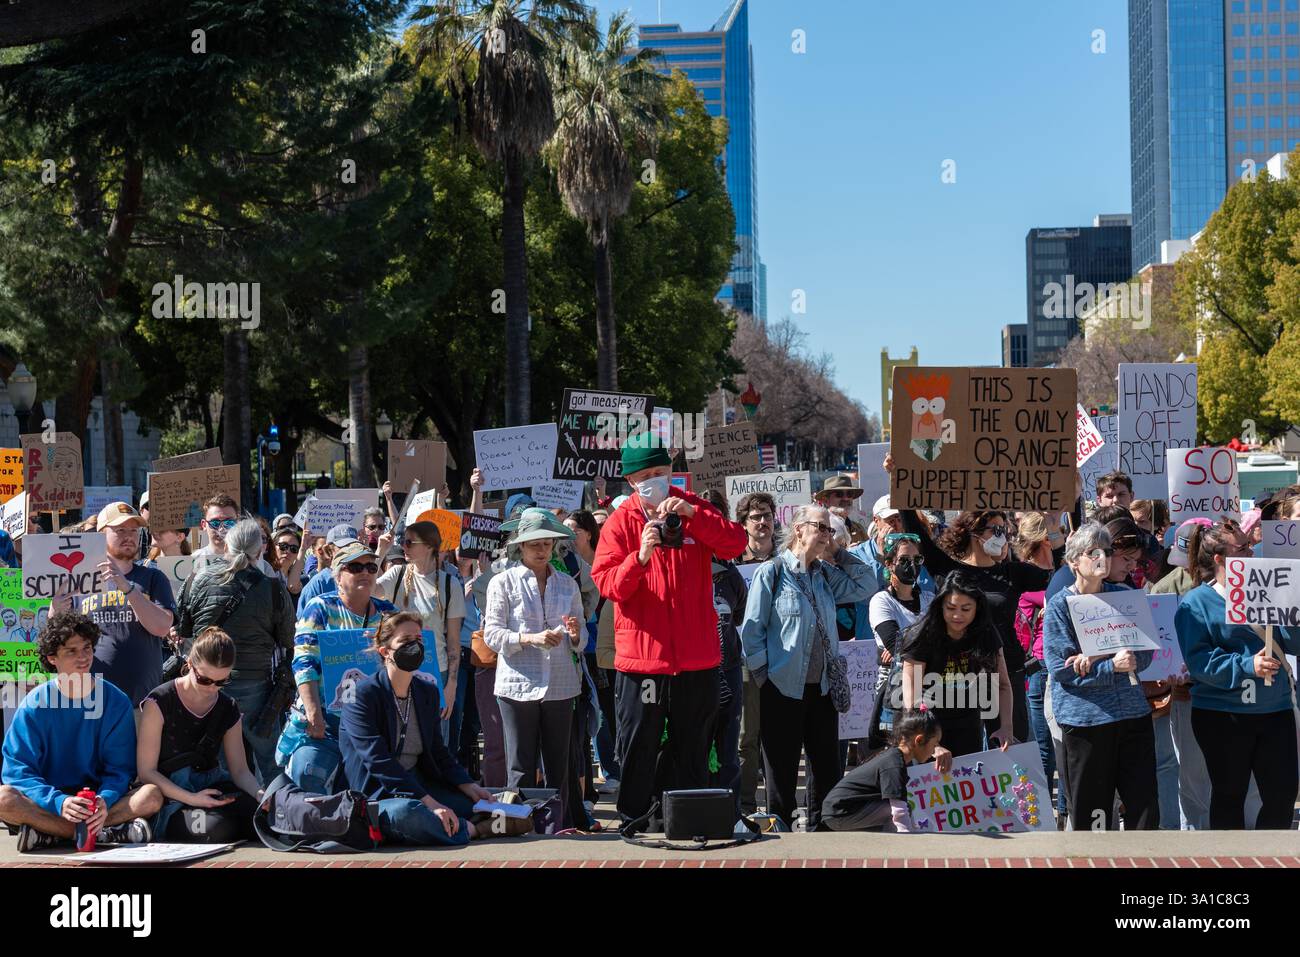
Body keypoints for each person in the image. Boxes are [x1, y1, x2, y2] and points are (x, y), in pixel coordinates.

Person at [590, 432, 748, 824]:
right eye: (645, 474)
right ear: (630, 481)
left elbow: (735, 545)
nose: (655, 480)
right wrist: (640, 556)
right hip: (643, 661)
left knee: (694, 744)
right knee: (638, 742)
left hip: (698, 659)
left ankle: (688, 817)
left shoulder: (693, 509)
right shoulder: (619, 523)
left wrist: (696, 518)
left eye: (661, 471)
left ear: (672, 471)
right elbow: (608, 586)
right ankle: (634, 817)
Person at [740, 503, 875, 830]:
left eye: (830, 530)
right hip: (782, 687)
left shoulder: (826, 574)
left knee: (827, 770)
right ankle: (781, 835)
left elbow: (867, 584)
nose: (827, 535)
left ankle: (824, 834)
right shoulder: (771, 573)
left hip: (823, 689)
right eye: (822, 528)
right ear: (799, 529)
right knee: (782, 773)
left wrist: (839, 553)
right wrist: (764, 677)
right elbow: (752, 632)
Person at [339, 612, 526, 845]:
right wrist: (430, 803)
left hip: (420, 784)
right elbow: (378, 761)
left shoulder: (426, 691)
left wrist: (468, 785)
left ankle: (464, 822)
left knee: (476, 805)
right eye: (405, 641)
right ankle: (472, 830)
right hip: (378, 792)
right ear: (385, 652)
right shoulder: (360, 695)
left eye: (418, 640)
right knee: (407, 814)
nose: (414, 646)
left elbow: (438, 751)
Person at [0, 612, 162, 852]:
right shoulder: (34, 704)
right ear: (52, 657)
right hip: (50, 802)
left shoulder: (115, 700)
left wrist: (103, 800)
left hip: (98, 803)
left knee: (151, 795)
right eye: (71, 651)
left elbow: (120, 769)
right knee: (3, 799)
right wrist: (58, 801)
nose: (83, 657)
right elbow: (17, 772)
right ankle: (101, 832)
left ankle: (51, 834)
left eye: (87, 648)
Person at [1175, 521, 1299, 829]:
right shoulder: (1196, 603)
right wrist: (1248, 665)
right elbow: (1200, 662)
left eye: (1249, 545)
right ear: (1220, 559)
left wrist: (1292, 609)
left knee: (1282, 794)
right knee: (1230, 794)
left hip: (1275, 709)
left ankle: (1272, 858)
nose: (1252, 550)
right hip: (1222, 714)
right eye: (1242, 547)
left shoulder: (1271, 589)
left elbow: (1294, 644)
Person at [1042, 522, 1158, 830]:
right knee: (1092, 812)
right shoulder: (1059, 607)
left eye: (1106, 552)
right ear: (1073, 562)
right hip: (1086, 722)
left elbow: (1145, 653)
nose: (1102, 558)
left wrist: (1103, 659)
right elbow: (1061, 668)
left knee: (1143, 806)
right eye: (1093, 552)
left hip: (1132, 716)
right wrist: (1111, 665)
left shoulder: (1125, 596)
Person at [899, 507, 1048, 744]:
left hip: (1005, 672)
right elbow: (918, 533)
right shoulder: (949, 570)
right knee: (958, 753)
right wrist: (900, 484)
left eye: (1005, 530)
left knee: (1011, 746)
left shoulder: (1012, 572)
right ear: (973, 532)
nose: (1002, 536)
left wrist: (1058, 523)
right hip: (958, 677)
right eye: (996, 530)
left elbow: (1060, 575)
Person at [483, 511, 585, 821]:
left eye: (546, 544)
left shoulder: (568, 584)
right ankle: (518, 823)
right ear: (519, 547)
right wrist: (530, 638)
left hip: (560, 682)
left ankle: (560, 822)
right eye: (533, 545)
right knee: (520, 763)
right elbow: (492, 634)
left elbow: (581, 634)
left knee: (559, 761)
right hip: (517, 683)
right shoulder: (502, 582)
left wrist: (577, 635)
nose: (541, 551)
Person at [176, 518, 295, 785]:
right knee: (269, 761)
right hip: (256, 686)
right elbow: (287, 639)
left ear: (226, 544)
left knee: (217, 760)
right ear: (260, 549)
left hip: (207, 684)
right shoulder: (274, 588)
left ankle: (227, 817)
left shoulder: (196, 578)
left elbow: (183, 628)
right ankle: (276, 816)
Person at [279, 540, 397, 793]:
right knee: (307, 772)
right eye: (355, 567)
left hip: (370, 724)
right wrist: (313, 713)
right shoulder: (319, 608)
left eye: (371, 567)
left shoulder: (390, 614)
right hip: (325, 720)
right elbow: (304, 662)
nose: (365, 572)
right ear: (337, 575)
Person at [136, 627, 263, 841]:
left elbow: (240, 771)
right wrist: (192, 798)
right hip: (170, 793)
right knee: (217, 828)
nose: (213, 688)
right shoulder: (160, 701)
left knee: (258, 817)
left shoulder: (227, 706)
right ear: (189, 665)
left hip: (210, 785)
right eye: (205, 680)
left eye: (222, 681)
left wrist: (261, 795)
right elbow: (146, 771)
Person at [52, 503, 177, 718]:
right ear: (100, 536)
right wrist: (55, 609)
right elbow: (56, 637)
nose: (129, 536)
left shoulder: (153, 578)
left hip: (143, 705)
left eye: (133, 531)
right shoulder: (80, 580)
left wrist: (127, 588)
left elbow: (162, 627)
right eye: (120, 530)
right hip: (92, 704)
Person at [899, 572, 1013, 760]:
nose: (957, 615)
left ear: (977, 608)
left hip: (969, 721)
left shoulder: (985, 632)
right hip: (926, 722)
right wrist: (931, 744)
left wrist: (1006, 728)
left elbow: (1003, 685)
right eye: (951, 608)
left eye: (966, 609)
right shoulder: (922, 636)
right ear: (940, 606)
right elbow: (911, 699)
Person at [373, 521, 465, 741]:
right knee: (396, 738)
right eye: (403, 542)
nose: (403, 547)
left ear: (430, 546)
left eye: (409, 542)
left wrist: (451, 685)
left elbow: (453, 640)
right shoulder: (397, 574)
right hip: (396, 670)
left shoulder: (450, 584)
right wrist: (379, 553)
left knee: (434, 743)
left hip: (436, 673)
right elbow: (368, 588)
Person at [821, 708, 941, 832]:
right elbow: (899, 812)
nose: (934, 750)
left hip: (840, 810)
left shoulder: (894, 757)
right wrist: (908, 840)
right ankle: (897, 845)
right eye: (934, 744)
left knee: (899, 811)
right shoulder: (894, 763)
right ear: (919, 740)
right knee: (901, 810)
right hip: (840, 812)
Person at [867, 533, 933, 749]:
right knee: (898, 753)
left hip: (931, 685)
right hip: (895, 689)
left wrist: (904, 646)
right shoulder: (881, 601)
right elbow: (895, 643)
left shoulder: (930, 599)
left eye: (917, 560)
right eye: (904, 560)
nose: (911, 565)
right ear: (889, 564)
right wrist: (903, 647)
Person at [734, 490, 776, 816]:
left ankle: (778, 807)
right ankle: (746, 806)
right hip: (746, 660)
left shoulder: (787, 559)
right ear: (744, 524)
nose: (762, 522)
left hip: (783, 660)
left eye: (767, 516)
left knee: (778, 737)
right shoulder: (734, 562)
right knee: (747, 739)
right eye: (755, 517)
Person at [852, 495, 936, 595]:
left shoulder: (914, 551)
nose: (897, 526)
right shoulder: (858, 554)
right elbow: (869, 593)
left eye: (900, 519)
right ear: (876, 521)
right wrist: (881, 556)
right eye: (891, 521)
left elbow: (927, 589)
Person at [191, 494, 276, 577]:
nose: (221, 529)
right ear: (203, 525)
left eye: (229, 523)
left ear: (238, 522)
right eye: (215, 523)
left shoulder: (261, 565)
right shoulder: (193, 560)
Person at [814, 474, 870, 544]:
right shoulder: (820, 528)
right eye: (839, 494)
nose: (845, 498)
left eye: (849, 494)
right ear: (826, 501)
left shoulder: (859, 528)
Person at [268, 524, 308, 598]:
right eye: (283, 546)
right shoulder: (264, 571)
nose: (288, 551)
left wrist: (303, 548)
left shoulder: (301, 580)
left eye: (294, 549)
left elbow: (293, 587)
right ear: (273, 547)